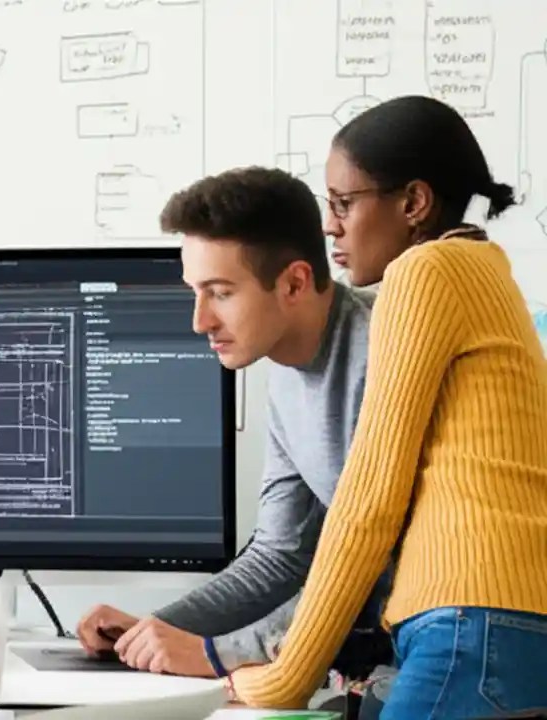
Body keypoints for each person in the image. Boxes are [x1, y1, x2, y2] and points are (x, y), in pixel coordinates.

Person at [227, 96, 547, 718]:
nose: (330, 226)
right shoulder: (482, 268)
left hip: (470, 622)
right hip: (508, 621)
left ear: (413, 203)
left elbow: (370, 499)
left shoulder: (424, 273)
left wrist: (287, 676)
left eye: (344, 203)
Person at [76, 166, 397, 687]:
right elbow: (279, 556)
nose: (199, 321)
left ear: (294, 282)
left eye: (220, 293)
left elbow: (380, 566)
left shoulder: (383, 353)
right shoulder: (287, 367)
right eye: (194, 292)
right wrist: (157, 631)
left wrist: (219, 653)